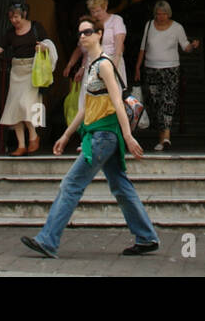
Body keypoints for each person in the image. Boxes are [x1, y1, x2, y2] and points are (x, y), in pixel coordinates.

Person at [21, 18, 158, 259]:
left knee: (71, 185)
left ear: (99, 34)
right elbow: (85, 108)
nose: (82, 37)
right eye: (80, 33)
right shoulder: (92, 65)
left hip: (103, 136)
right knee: (120, 185)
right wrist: (66, 135)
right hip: (100, 134)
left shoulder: (104, 65)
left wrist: (128, 136)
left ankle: (48, 240)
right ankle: (146, 237)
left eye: (87, 32)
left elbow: (117, 102)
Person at [0, 2, 50, 155]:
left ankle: (33, 136)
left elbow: (48, 44)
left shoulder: (36, 27)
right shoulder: (10, 33)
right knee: (14, 108)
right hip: (17, 71)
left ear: (24, 14)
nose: (14, 20)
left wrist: (42, 47)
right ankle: (21, 145)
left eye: (16, 17)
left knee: (25, 104)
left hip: (33, 70)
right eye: (11, 18)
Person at [134, 0, 200, 151]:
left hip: (171, 69)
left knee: (168, 101)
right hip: (151, 69)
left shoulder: (177, 27)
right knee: (156, 104)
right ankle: (162, 137)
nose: (161, 17)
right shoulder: (149, 25)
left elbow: (185, 46)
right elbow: (143, 48)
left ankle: (166, 138)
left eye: (163, 14)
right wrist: (137, 67)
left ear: (169, 14)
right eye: (158, 14)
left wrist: (192, 46)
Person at [61, 0, 126, 86]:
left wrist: (113, 69)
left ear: (105, 7)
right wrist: (80, 68)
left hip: (111, 62)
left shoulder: (116, 20)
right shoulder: (90, 24)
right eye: (92, 11)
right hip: (92, 65)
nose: (95, 14)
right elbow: (83, 49)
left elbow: (119, 47)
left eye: (98, 11)